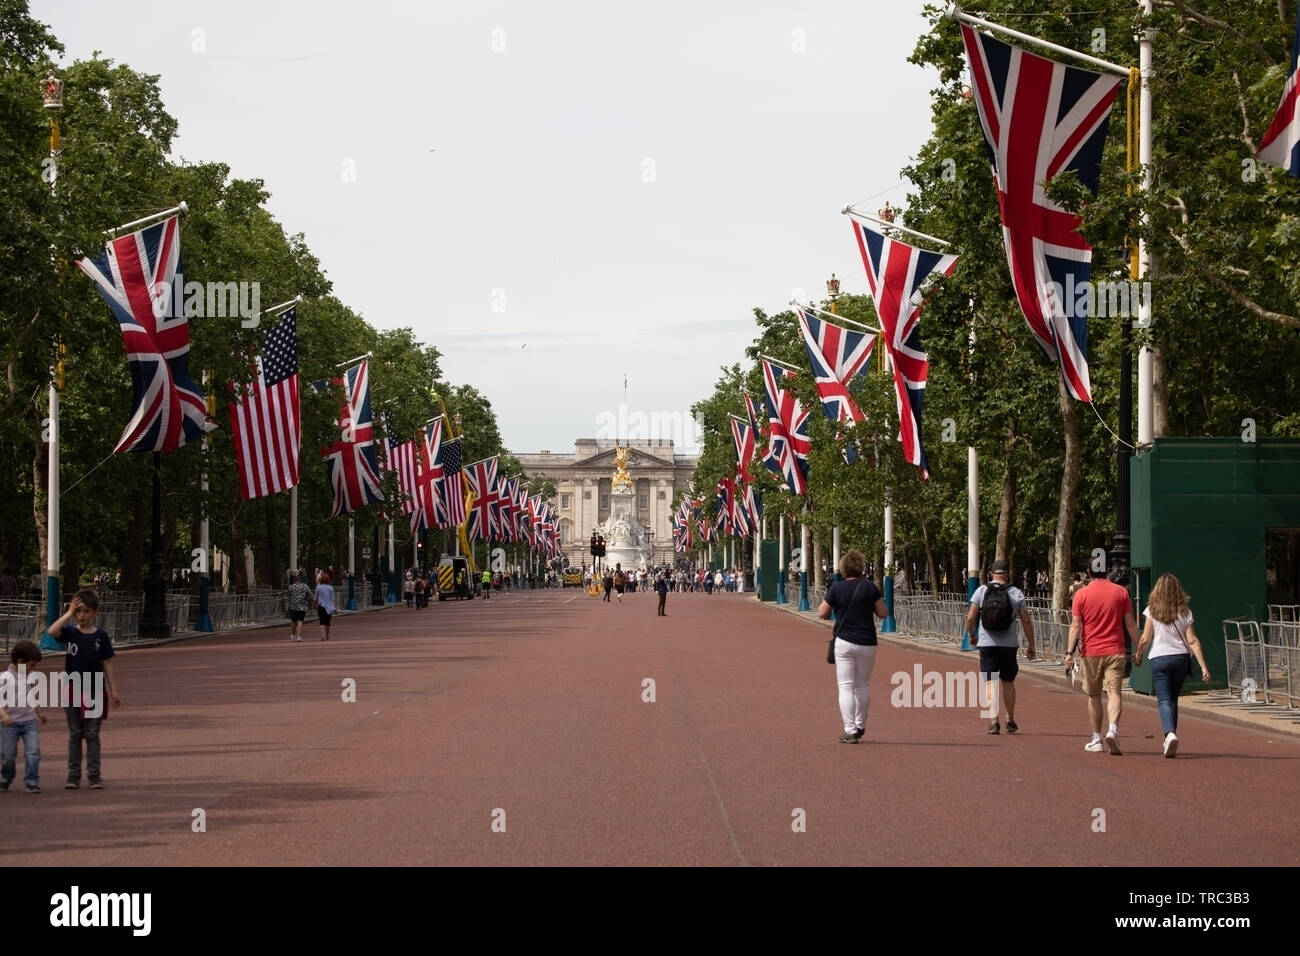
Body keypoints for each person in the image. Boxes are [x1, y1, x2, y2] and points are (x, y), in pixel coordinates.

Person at [46, 590, 121, 789]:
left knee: (93, 734)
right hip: (73, 689)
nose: (81, 615)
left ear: (94, 613)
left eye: (85, 611)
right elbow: (52, 631)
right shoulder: (70, 632)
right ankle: (73, 776)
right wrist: (68, 613)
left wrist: (113, 690)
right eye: (78, 612)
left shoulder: (101, 636)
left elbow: (107, 663)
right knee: (75, 733)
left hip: (95, 689)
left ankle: (94, 775)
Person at [1133, 573, 1212, 757]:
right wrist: (1203, 667)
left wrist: (1139, 654)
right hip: (1181, 658)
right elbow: (1192, 640)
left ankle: (1169, 734)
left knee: (1164, 699)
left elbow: (1145, 638)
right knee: (1173, 698)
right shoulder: (1185, 612)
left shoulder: (1151, 610)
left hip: (1159, 658)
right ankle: (1170, 736)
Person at [1064, 566, 1138, 754]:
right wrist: (1140, 648)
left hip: (1091, 652)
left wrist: (1069, 653)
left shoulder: (1081, 594)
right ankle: (1112, 729)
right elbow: (1130, 624)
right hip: (1115, 650)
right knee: (1114, 692)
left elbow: (1075, 626)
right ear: (1107, 571)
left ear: (1089, 572)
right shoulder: (1121, 592)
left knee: (1094, 695)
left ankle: (1097, 738)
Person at [818, 550, 888, 744]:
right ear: (861, 568)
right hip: (867, 641)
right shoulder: (870, 588)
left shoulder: (837, 588)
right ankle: (860, 724)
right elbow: (883, 613)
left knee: (846, 687)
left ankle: (850, 730)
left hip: (844, 641)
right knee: (863, 685)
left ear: (843, 568)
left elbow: (822, 612)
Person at [964, 559, 1037, 734]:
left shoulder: (982, 591)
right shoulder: (1016, 593)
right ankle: (1010, 719)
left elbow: (970, 618)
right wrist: (1031, 643)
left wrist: (972, 635)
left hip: (987, 643)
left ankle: (993, 720)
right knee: (1008, 681)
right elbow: (1026, 620)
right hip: (1009, 644)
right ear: (1007, 574)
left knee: (990, 681)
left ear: (991, 574)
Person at [0, 640, 47, 792]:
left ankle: (32, 781)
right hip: (10, 724)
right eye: (31, 665)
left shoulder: (32, 677)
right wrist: (4, 715)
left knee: (33, 751)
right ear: (20, 662)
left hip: (29, 722)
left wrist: (39, 713)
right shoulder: (4, 678)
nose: (33, 669)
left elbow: (34, 696)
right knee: (8, 755)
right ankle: (7, 777)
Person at [287, 570, 312, 642]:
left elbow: (288, 595)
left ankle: (292, 635)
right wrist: (307, 599)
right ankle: (298, 636)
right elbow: (310, 595)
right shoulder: (305, 586)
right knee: (300, 621)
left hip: (293, 606)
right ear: (301, 580)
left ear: (295, 580)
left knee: (293, 621)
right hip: (302, 606)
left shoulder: (291, 587)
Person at [314, 572, 337, 641]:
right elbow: (332, 599)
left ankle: (322, 636)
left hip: (321, 606)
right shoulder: (330, 588)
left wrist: (314, 605)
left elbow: (315, 598)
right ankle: (327, 635)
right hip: (329, 607)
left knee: (322, 621)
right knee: (328, 622)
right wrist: (334, 608)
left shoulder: (318, 587)